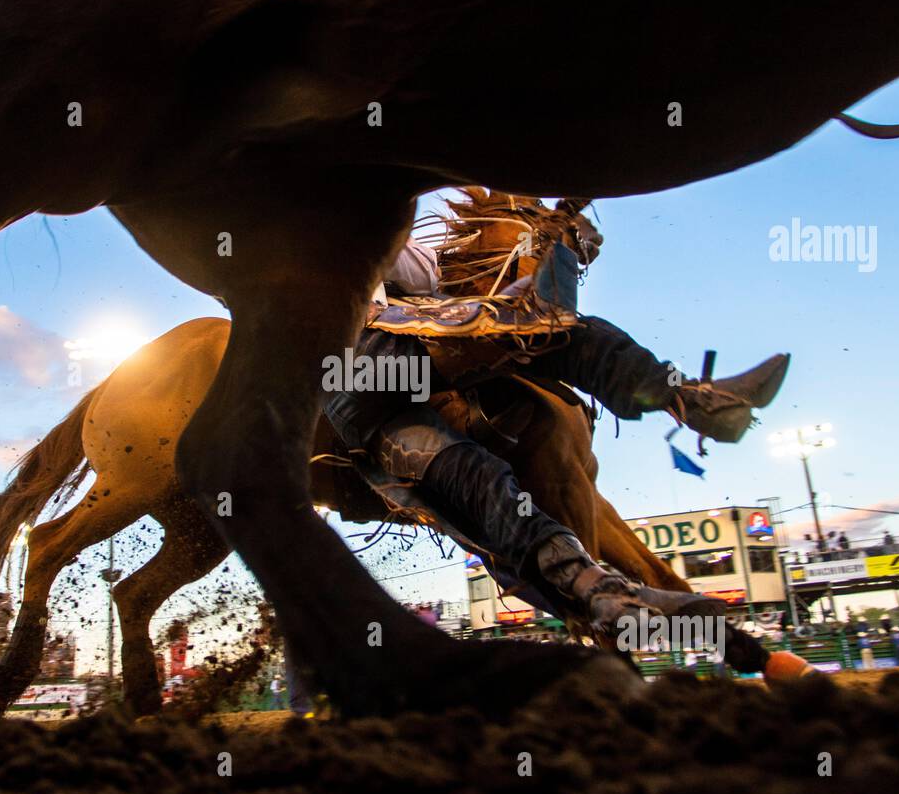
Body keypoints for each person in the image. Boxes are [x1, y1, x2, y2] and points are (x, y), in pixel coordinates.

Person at [325, 222, 788, 631]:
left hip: (355, 390)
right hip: (369, 354)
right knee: (552, 328)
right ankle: (695, 401)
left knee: (477, 478)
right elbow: (420, 271)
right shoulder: (340, 217)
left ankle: (592, 588)